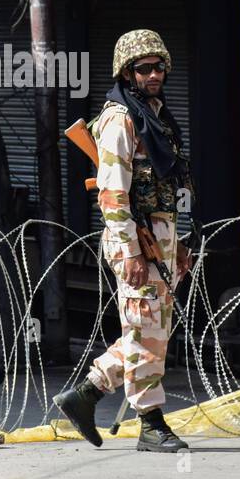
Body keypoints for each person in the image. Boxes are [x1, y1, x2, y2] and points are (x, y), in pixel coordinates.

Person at [54, 29, 194, 453]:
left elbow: (164, 187)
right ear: (126, 72)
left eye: (159, 66)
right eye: (143, 68)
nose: (154, 74)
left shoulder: (156, 116)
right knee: (147, 329)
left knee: (149, 330)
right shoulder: (121, 119)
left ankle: (86, 395)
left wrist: (179, 244)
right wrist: (132, 251)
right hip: (133, 241)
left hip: (159, 237)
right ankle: (150, 424)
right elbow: (113, 192)